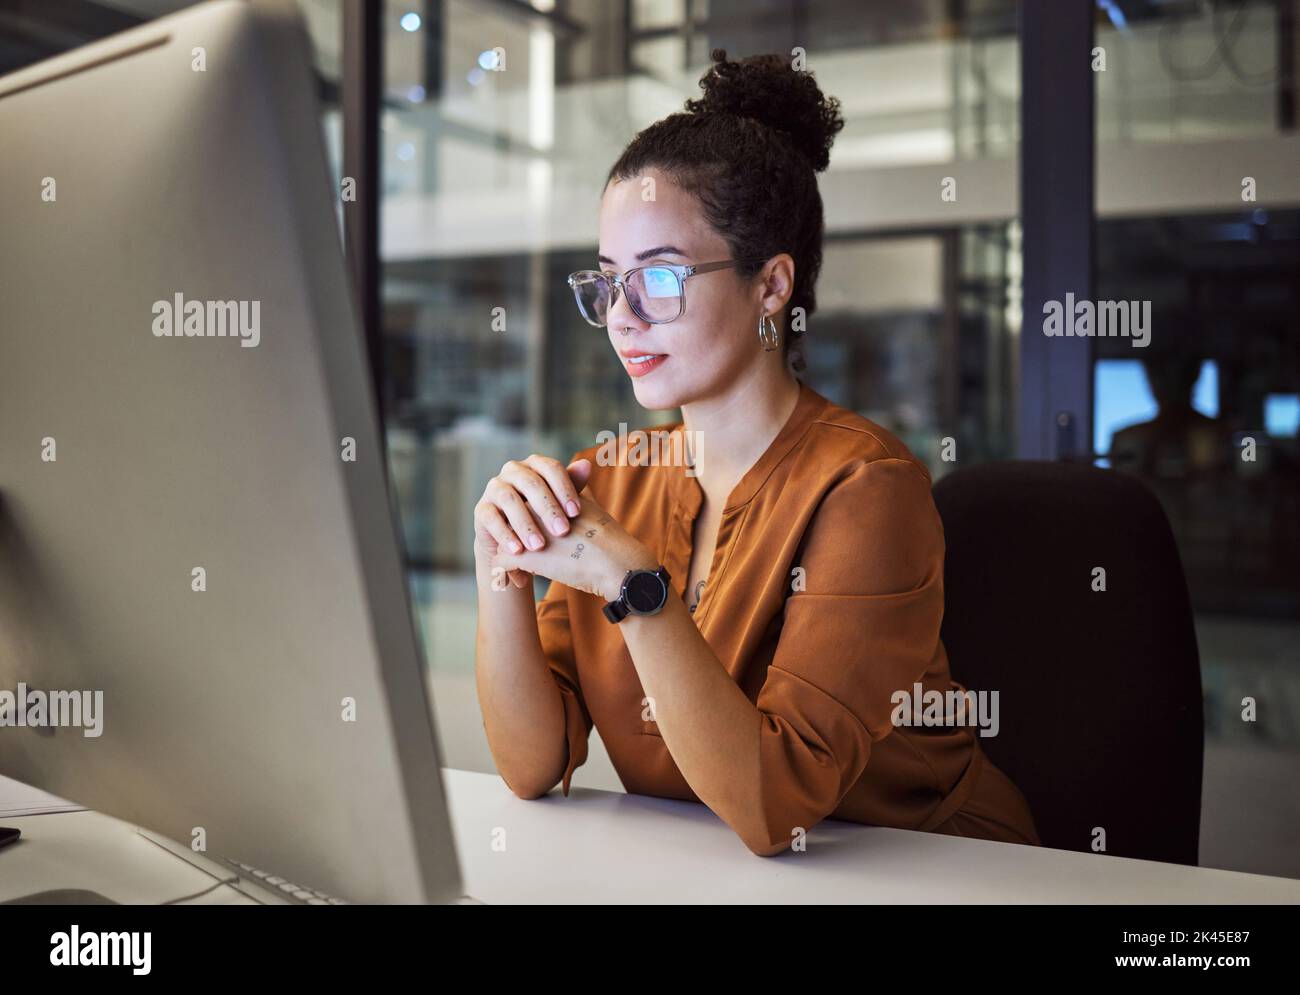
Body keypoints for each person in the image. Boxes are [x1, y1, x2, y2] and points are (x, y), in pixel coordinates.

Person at [472, 49, 1039, 857]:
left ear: (772, 286)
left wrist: (634, 586)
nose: (624, 318)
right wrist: (501, 564)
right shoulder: (615, 475)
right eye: (606, 283)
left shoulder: (866, 485)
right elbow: (534, 763)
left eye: (659, 280)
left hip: (930, 872)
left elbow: (779, 806)